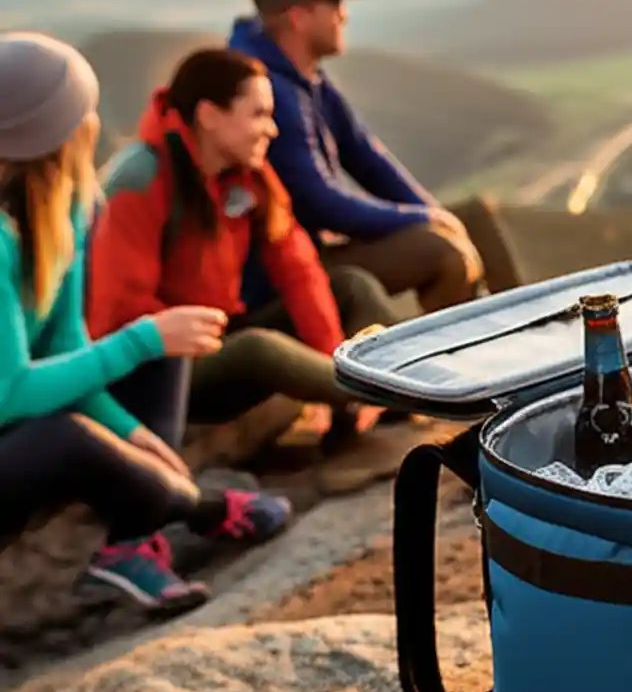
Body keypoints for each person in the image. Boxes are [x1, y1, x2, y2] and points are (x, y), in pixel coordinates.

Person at [0, 33, 292, 615]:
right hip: (14, 425)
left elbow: (65, 345)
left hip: (20, 425)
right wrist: (141, 341)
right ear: (58, 134)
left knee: (163, 343)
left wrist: (137, 437)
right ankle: (200, 509)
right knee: (72, 428)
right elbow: (10, 393)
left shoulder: (66, 214)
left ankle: (132, 541)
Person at [87, 48, 402, 494]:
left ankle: (363, 405)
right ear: (210, 115)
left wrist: (329, 351)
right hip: (157, 368)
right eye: (258, 114)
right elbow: (118, 309)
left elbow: (297, 268)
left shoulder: (246, 173)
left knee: (351, 286)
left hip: (217, 335)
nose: (271, 129)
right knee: (257, 349)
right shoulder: (141, 179)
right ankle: (389, 391)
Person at [228, 0, 525, 318]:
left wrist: (432, 212)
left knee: (470, 219)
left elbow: (368, 158)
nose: (344, 15)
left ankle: (524, 330)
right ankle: (456, 359)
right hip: (290, 273)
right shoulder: (269, 92)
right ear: (299, 16)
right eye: (335, 3)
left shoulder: (304, 77)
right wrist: (421, 218)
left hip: (317, 250)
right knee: (441, 253)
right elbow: (321, 204)